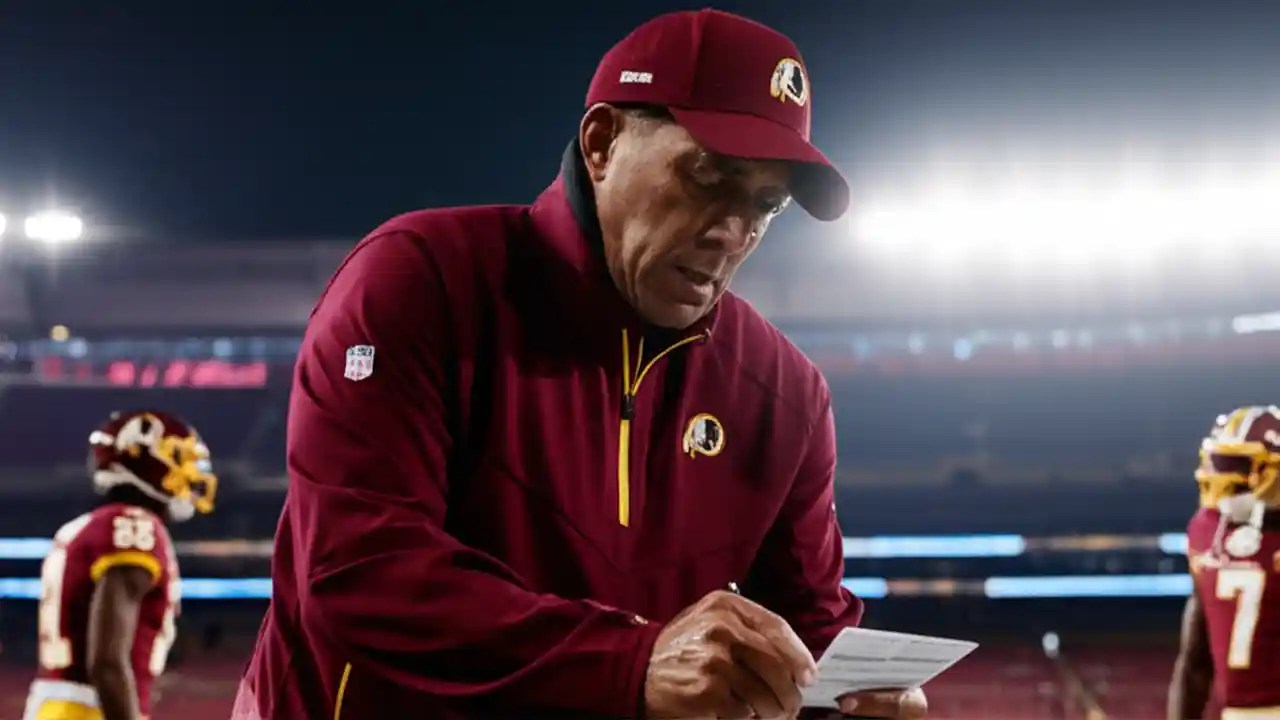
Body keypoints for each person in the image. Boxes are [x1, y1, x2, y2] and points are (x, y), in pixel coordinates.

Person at [234, 8, 926, 719]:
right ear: (601, 143)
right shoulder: (421, 281)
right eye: (707, 174)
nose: (732, 231)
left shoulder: (785, 395)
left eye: (765, 203)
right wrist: (630, 662)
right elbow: (359, 573)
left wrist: (862, 694)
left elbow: (811, 630)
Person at [23, 410, 218, 720]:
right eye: (178, 457)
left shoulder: (87, 526)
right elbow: (107, 663)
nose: (190, 472)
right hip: (89, 709)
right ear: (143, 458)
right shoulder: (132, 526)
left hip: (57, 705)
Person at [1168, 406, 1280, 720]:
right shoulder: (1207, 531)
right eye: (1221, 463)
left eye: (1238, 467)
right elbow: (1195, 660)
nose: (1225, 479)